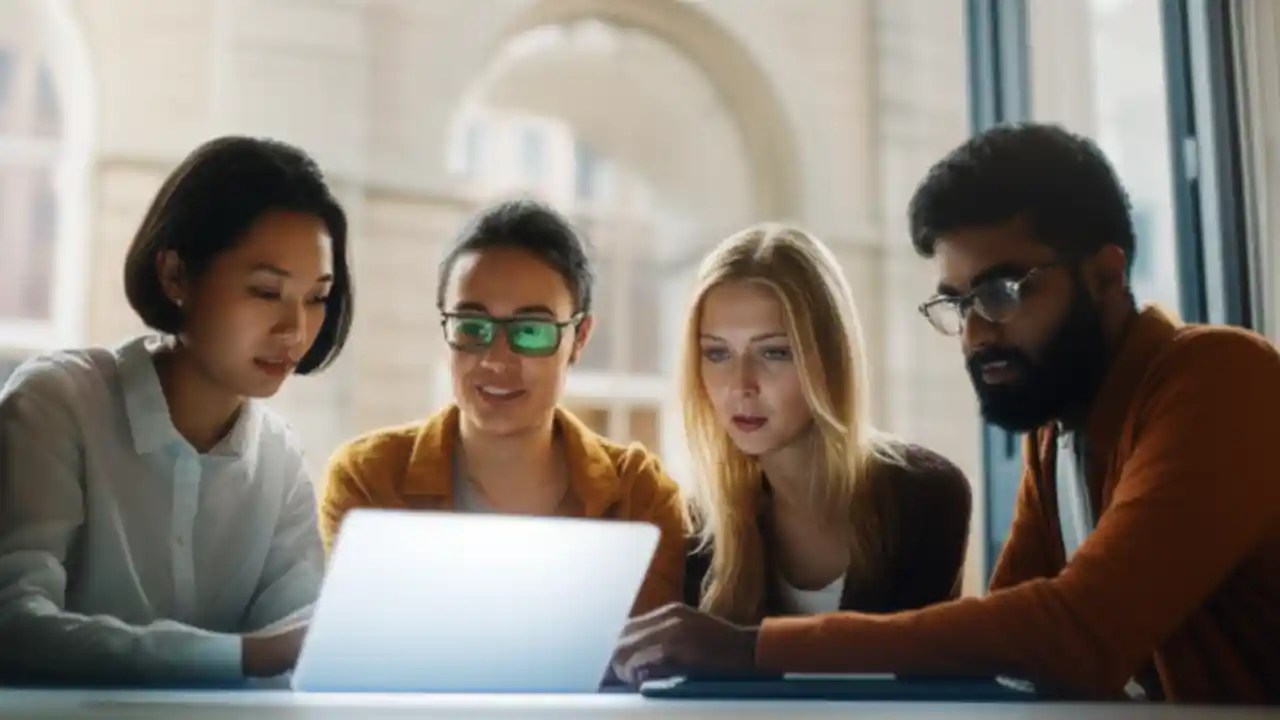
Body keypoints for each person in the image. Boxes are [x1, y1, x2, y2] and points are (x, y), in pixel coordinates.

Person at [610, 123, 1280, 704]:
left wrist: (754, 648)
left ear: (1105, 275)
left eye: (1000, 293)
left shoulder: (1220, 377)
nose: (976, 334)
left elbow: (1076, 630)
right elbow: (1004, 647)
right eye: (957, 304)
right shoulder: (1056, 437)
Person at [0, 136, 354, 683]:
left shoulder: (279, 459)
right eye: (265, 291)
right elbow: (15, 625)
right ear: (176, 276)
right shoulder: (58, 404)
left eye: (316, 297)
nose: (296, 330)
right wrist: (243, 655)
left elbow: (299, 641)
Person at [321, 199, 684, 616]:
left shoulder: (638, 495)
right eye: (473, 328)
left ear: (579, 337)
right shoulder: (371, 478)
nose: (496, 360)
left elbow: (645, 658)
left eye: (530, 332)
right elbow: (367, 642)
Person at [680, 224, 970, 624]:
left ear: (830, 357)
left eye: (775, 352)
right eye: (717, 354)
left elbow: (902, 663)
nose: (740, 385)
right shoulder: (699, 526)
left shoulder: (922, 493)